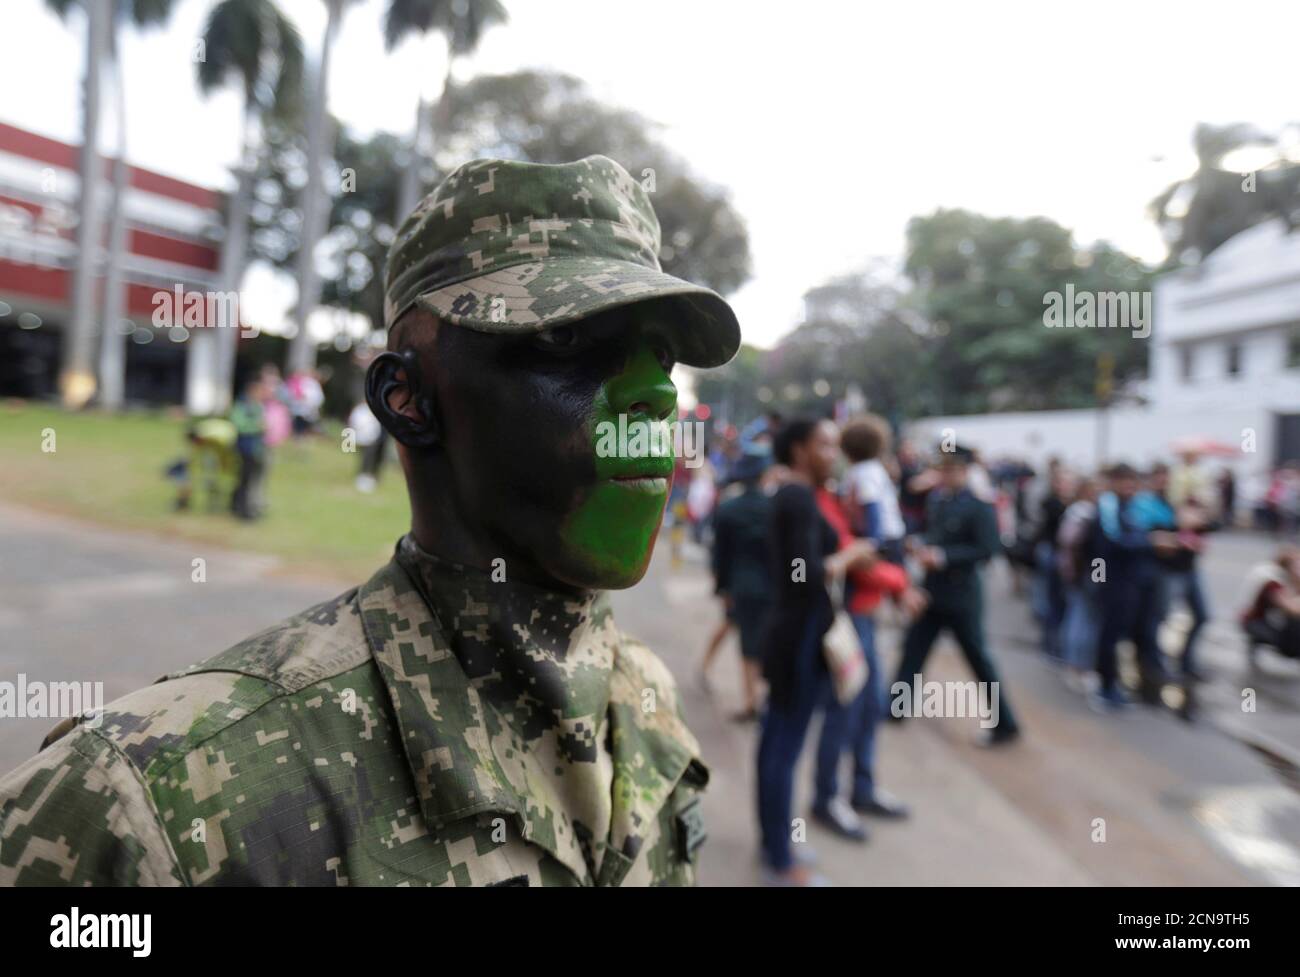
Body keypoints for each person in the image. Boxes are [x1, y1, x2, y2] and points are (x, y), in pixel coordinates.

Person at [0, 154, 741, 886]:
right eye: (564, 341)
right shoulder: (151, 806)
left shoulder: (646, 698)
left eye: (662, 354)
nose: (655, 393)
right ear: (406, 398)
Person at [757, 418, 877, 885]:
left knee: (777, 744)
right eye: (825, 444)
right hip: (800, 637)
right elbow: (802, 574)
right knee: (783, 749)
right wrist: (850, 557)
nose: (835, 452)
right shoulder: (799, 498)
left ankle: (776, 842)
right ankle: (781, 860)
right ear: (800, 450)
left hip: (793, 632)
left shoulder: (793, 496)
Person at [812, 452, 923, 840]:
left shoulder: (841, 497)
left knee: (870, 705)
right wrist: (899, 582)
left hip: (864, 618)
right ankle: (827, 797)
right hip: (848, 621)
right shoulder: (823, 502)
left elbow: (863, 553)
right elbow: (853, 559)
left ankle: (861, 787)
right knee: (844, 709)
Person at [891, 443, 1021, 745]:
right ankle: (895, 708)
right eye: (943, 470)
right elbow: (934, 533)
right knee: (913, 651)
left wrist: (945, 556)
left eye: (951, 470)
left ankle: (1006, 723)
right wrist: (921, 545)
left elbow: (989, 549)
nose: (945, 475)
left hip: (962, 594)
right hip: (933, 589)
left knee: (978, 659)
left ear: (964, 471)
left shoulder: (979, 504)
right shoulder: (937, 500)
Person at [1090, 463, 1177, 712]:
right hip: (1115, 583)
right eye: (1124, 481)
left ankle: (1143, 685)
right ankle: (1106, 687)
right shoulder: (1107, 506)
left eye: (1132, 482)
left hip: (1136, 582)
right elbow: (1112, 542)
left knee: (1140, 632)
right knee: (1110, 634)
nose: (1129, 487)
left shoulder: (1135, 506)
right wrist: (1151, 542)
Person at [704, 445, 772, 721]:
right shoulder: (775, 508)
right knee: (757, 640)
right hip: (771, 586)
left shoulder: (729, 509)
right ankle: (753, 700)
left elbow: (719, 555)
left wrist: (722, 588)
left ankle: (751, 699)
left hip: (740, 586)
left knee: (747, 643)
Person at [1056, 476, 1101, 691]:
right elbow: (1092, 552)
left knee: (1076, 615)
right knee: (1083, 619)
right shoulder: (1086, 512)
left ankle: (1073, 663)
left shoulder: (1078, 510)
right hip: (1085, 573)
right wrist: (1096, 578)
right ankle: (1077, 666)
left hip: (1079, 573)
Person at [1241, 546, 1300, 661]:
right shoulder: (1273, 581)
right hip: (1254, 621)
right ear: (1289, 566)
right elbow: (1290, 608)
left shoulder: (1281, 577)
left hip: (1266, 619)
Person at [229, 375, 267, 520]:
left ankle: (244, 506)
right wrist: (256, 426)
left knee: (250, 479)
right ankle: (241, 509)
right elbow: (238, 424)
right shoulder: (242, 405)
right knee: (243, 479)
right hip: (244, 448)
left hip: (255, 448)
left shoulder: (257, 406)